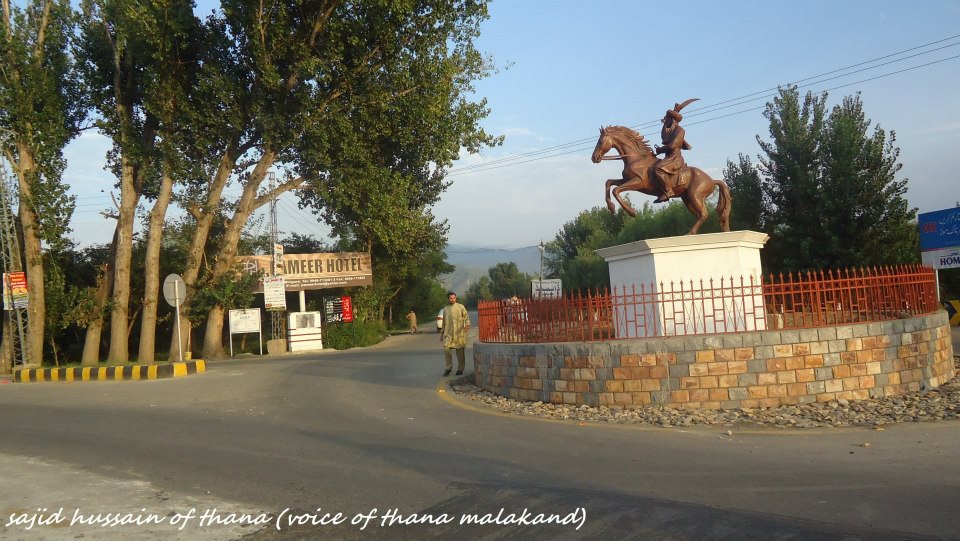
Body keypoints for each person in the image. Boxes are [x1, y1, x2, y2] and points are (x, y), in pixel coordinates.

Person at [653, 98, 698, 203]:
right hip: (669, 157)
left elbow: (672, 146)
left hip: (675, 158)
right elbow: (664, 137)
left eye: (667, 119)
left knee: (658, 169)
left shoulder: (680, 131)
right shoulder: (670, 131)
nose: (665, 121)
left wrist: (661, 149)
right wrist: (664, 124)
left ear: (672, 120)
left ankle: (668, 191)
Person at [440, 291, 470, 376]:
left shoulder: (461, 307)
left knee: (460, 351)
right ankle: (448, 367)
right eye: (450, 298)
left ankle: (460, 369)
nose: (452, 299)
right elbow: (444, 322)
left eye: (454, 298)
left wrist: (466, 327)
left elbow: (466, 318)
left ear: (455, 298)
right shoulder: (445, 309)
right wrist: (441, 334)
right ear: (448, 299)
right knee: (446, 348)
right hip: (448, 333)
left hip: (459, 333)